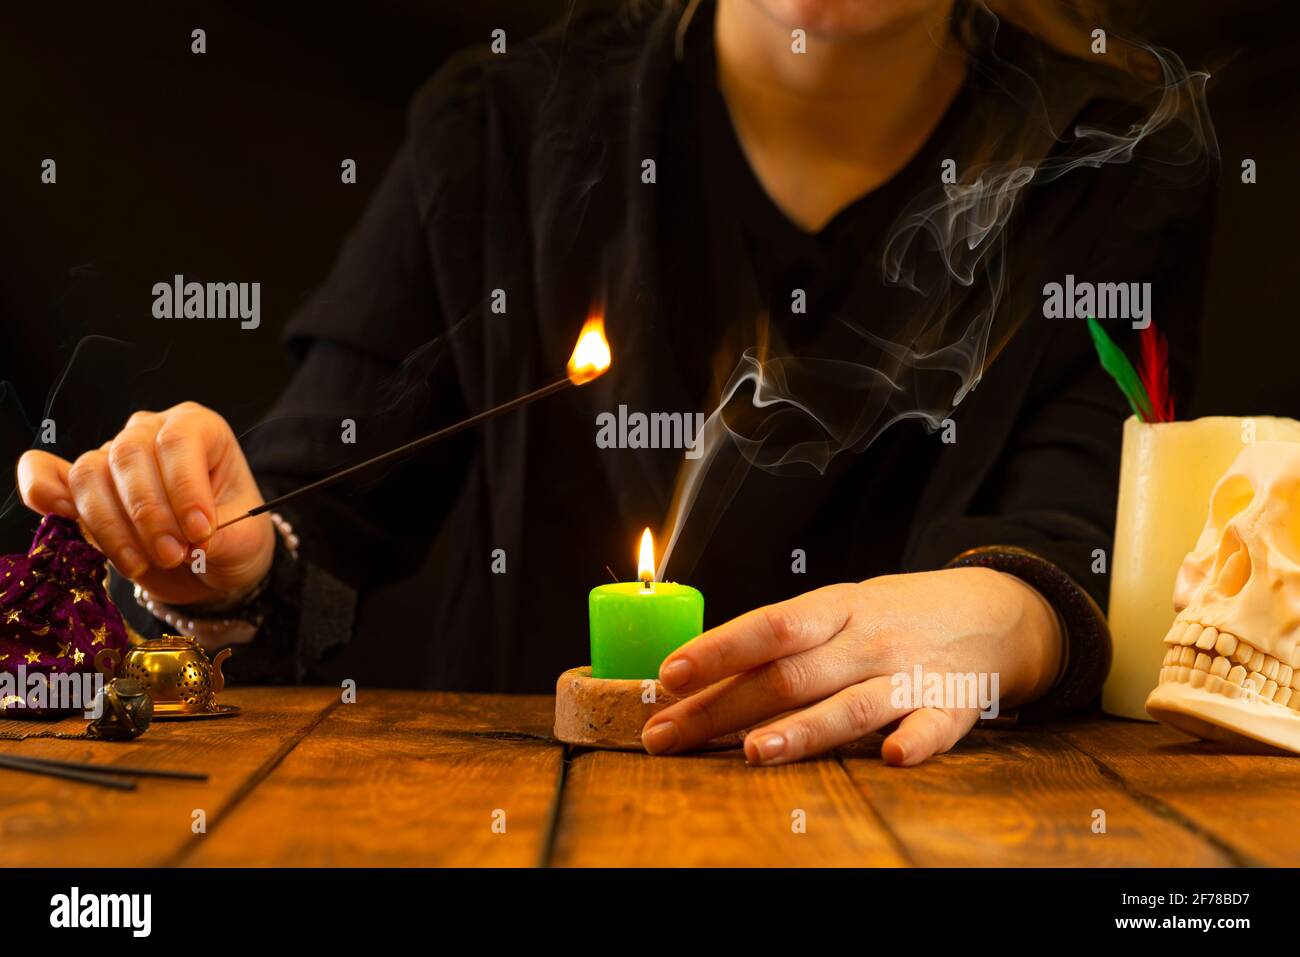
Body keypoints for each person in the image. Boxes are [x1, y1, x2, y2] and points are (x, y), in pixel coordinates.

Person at [15, 0, 1214, 766]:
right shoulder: (503, 125)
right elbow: (314, 507)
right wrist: (225, 546)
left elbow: (1083, 527)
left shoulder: (1111, 171)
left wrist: (1013, 617)